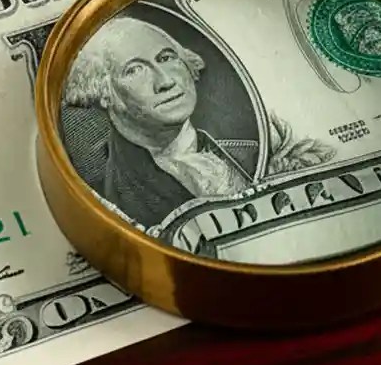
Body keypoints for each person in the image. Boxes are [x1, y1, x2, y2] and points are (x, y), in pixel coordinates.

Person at [62, 16, 259, 226]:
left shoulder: (253, 156)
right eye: (135, 70)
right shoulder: (102, 198)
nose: (165, 81)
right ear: (102, 91)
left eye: (166, 58)